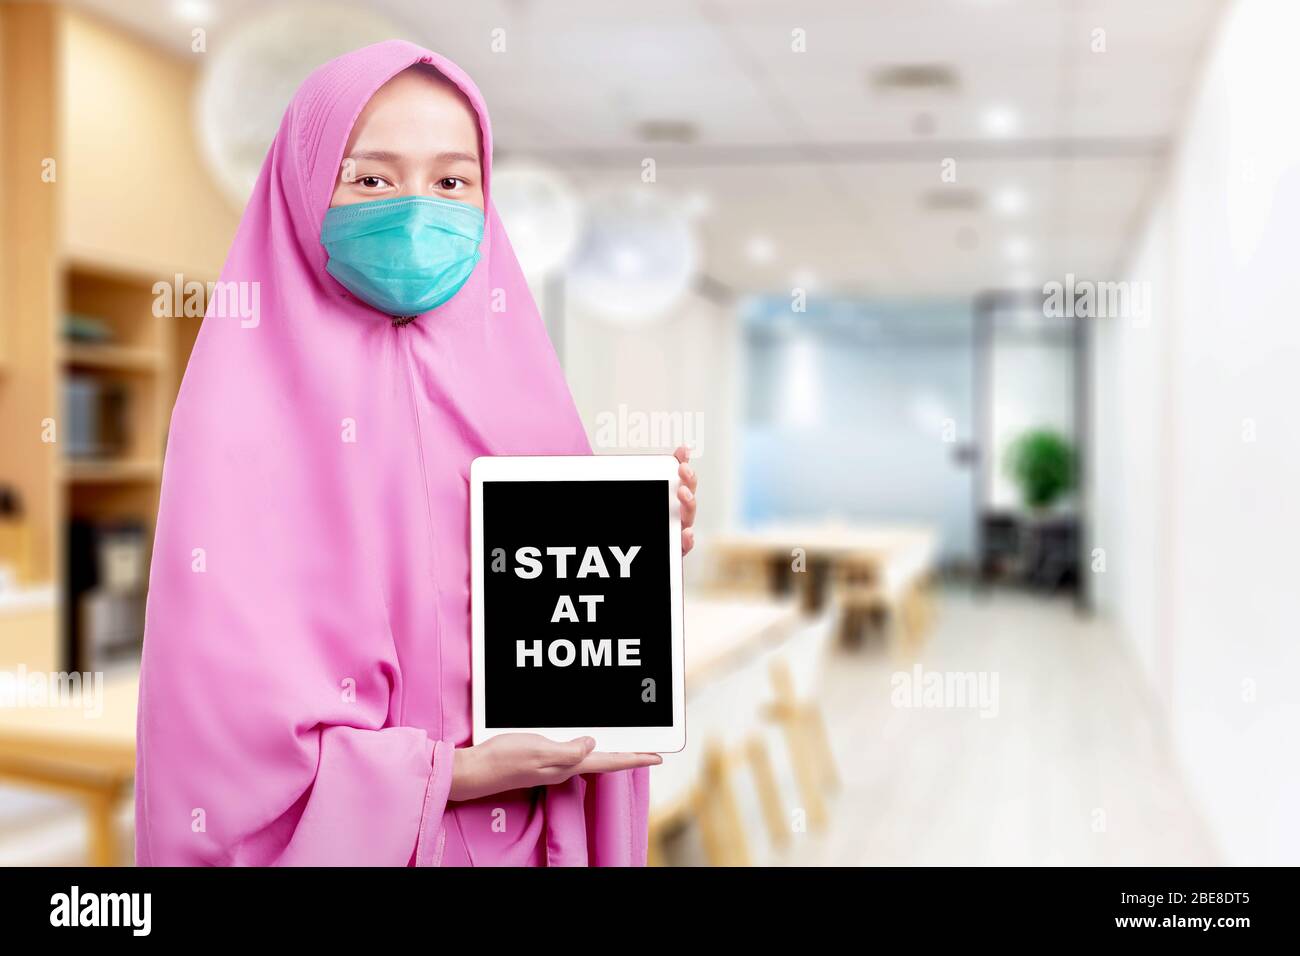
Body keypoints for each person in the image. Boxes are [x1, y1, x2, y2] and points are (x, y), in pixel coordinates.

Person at [135, 40, 698, 867]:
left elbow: (558, 626)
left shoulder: (523, 390)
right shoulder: (234, 421)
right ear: (301, 189)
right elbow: (220, 735)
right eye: (371, 178)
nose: (416, 208)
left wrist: (641, 544)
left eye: (451, 181)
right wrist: (449, 776)